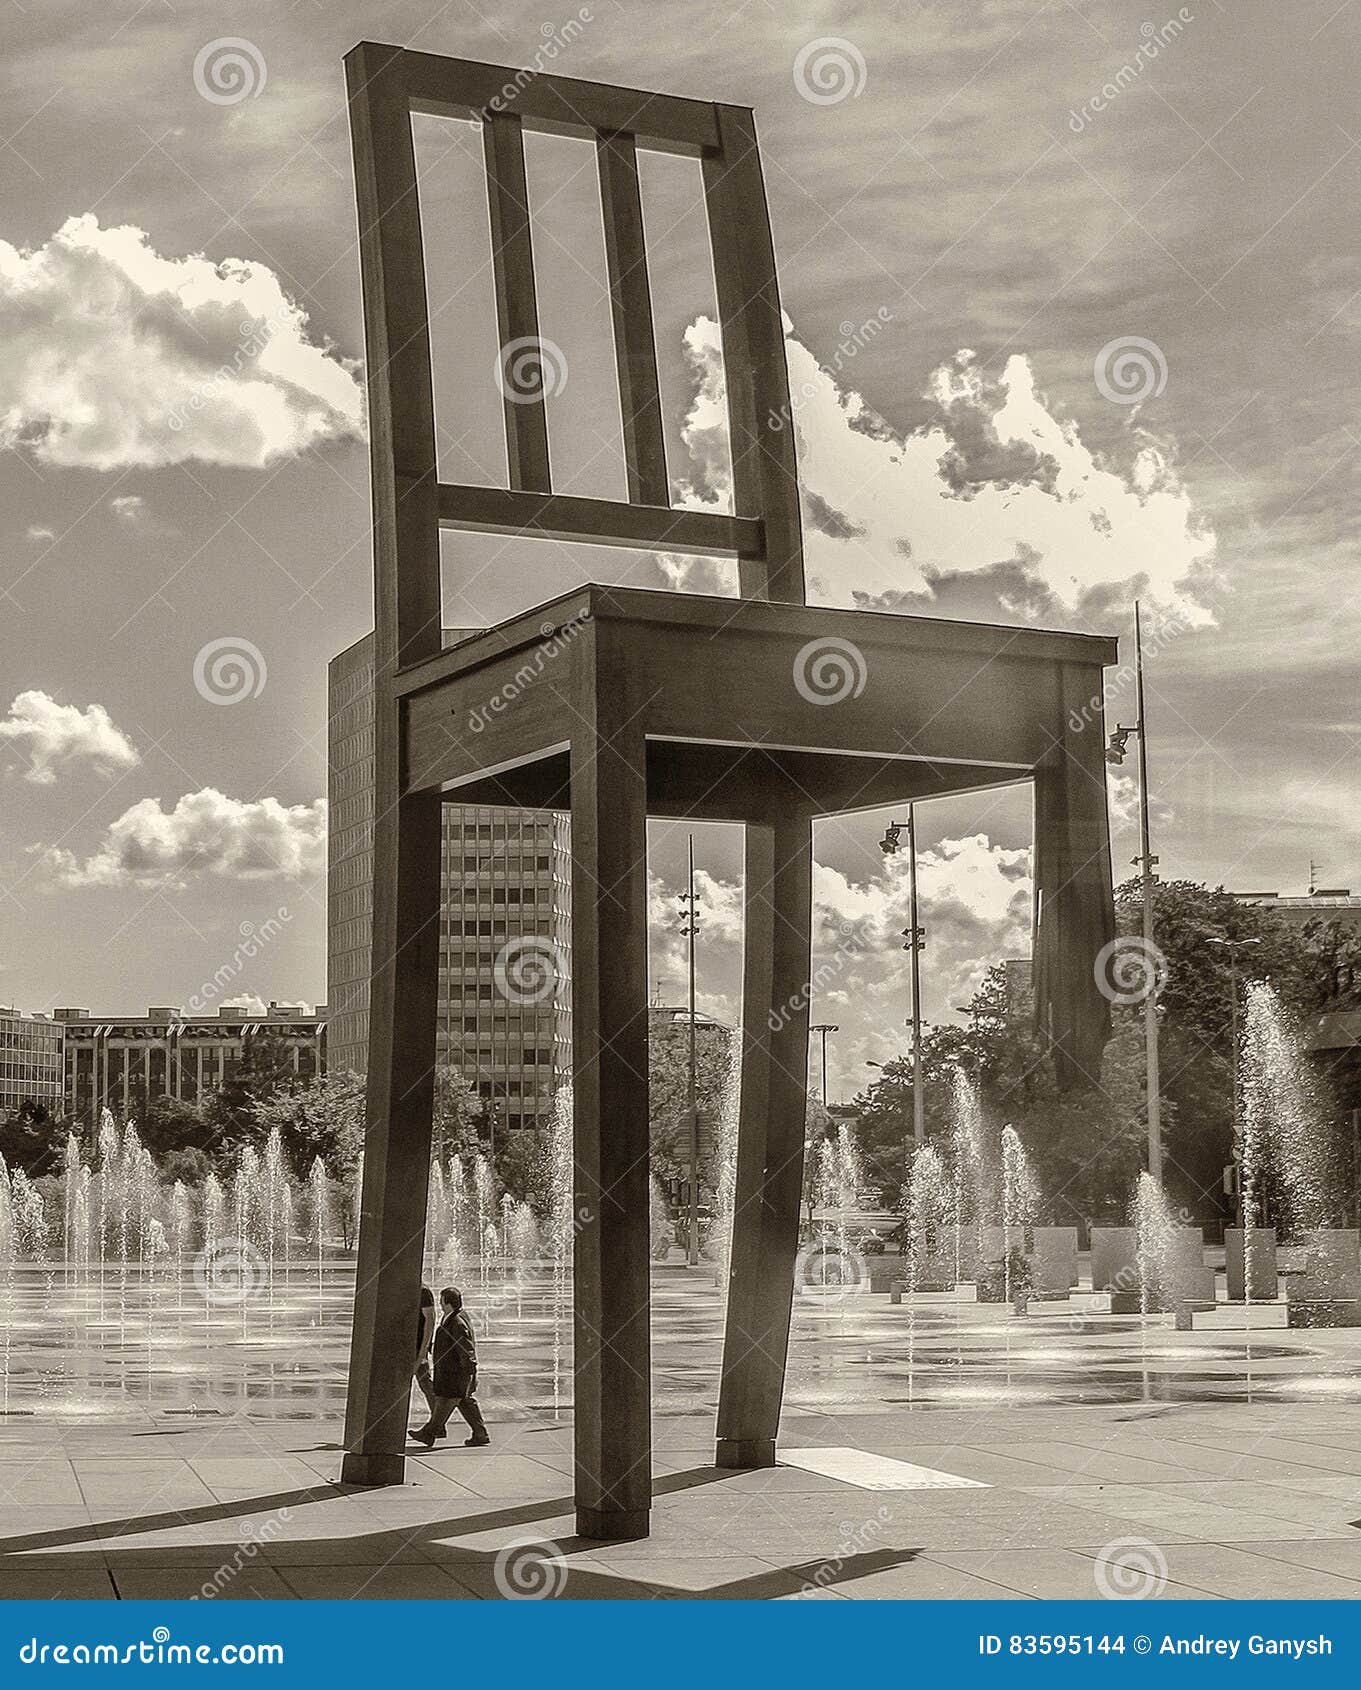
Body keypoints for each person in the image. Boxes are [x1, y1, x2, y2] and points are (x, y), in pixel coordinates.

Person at [411, 1286, 490, 1449]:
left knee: (445, 1402)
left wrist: (469, 1372)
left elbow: (465, 1349)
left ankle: (430, 1432)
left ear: (447, 1303)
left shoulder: (457, 1322)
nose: (439, 1305)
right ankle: (480, 1434)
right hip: (455, 1373)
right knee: (465, 1402)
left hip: (455, 1374)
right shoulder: (456, 1317)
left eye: (441, 1301)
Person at [413, 1286, 438, 1430]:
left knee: (426, 1384)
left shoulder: (423, 1291)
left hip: (416, 1347)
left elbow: (430, 1321)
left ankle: (437, 1423)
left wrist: (423, 1350)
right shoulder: (402, 1287)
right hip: (402, 1346)